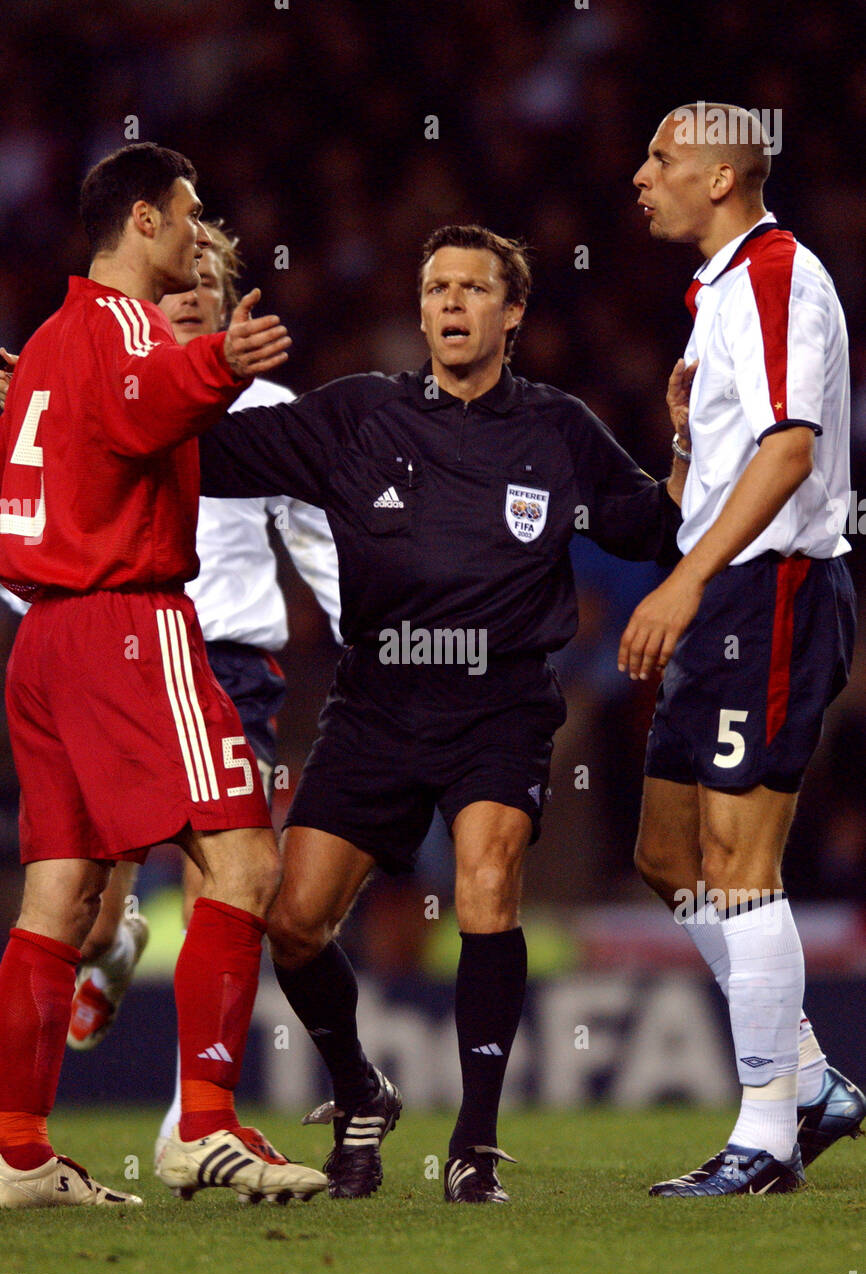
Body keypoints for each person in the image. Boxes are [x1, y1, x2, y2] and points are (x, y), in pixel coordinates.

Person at [197, 223, 689, 1202]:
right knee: (292, 921)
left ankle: (473, 1143)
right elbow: (206, 455)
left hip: (500, 702)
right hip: (376, 700)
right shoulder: (355, 416)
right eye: (434, 288)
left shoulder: (557, 428)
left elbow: (647, 524)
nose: (449, 303)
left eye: (471, 288)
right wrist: (128, 388)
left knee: (484, 887)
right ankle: (357, 1085)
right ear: (420, 310)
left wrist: (681, 446)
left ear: (511, 313)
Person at [0, 143, 326, 1207]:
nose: (198, 232)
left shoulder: (50, 341)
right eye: (187, 214)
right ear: (143, 220)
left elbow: (94, 427)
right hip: (125, 626)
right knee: (243, 865)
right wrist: (223, 362)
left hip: (41, 638)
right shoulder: (125, 329)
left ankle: (17, 1154)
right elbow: (145, 404)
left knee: (58, 896)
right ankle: (205, 1125)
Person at [62, 221, 347, 1172]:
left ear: (230, 308)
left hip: (230, 671)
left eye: (206, 290)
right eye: (173, 287)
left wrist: (376, 645)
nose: (188, 299)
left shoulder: (268, 408)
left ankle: (195, 1116)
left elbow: (317, 543)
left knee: (229, 882)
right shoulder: (107, 396)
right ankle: (110, 952)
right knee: (87, 910)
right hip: (116, 653)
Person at [624, 103, 864, 1196]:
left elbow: (790, 448)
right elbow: (738, 454)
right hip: (727, 591)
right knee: (667, 857)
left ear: (722, 174)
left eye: (662, 158)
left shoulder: (770, 272)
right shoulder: (722, 288)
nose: (642, 175)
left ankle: (764, 1137)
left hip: (768, 591)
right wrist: (683, 439)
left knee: (735, 865)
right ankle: (808, 1079)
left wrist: (682, 579)